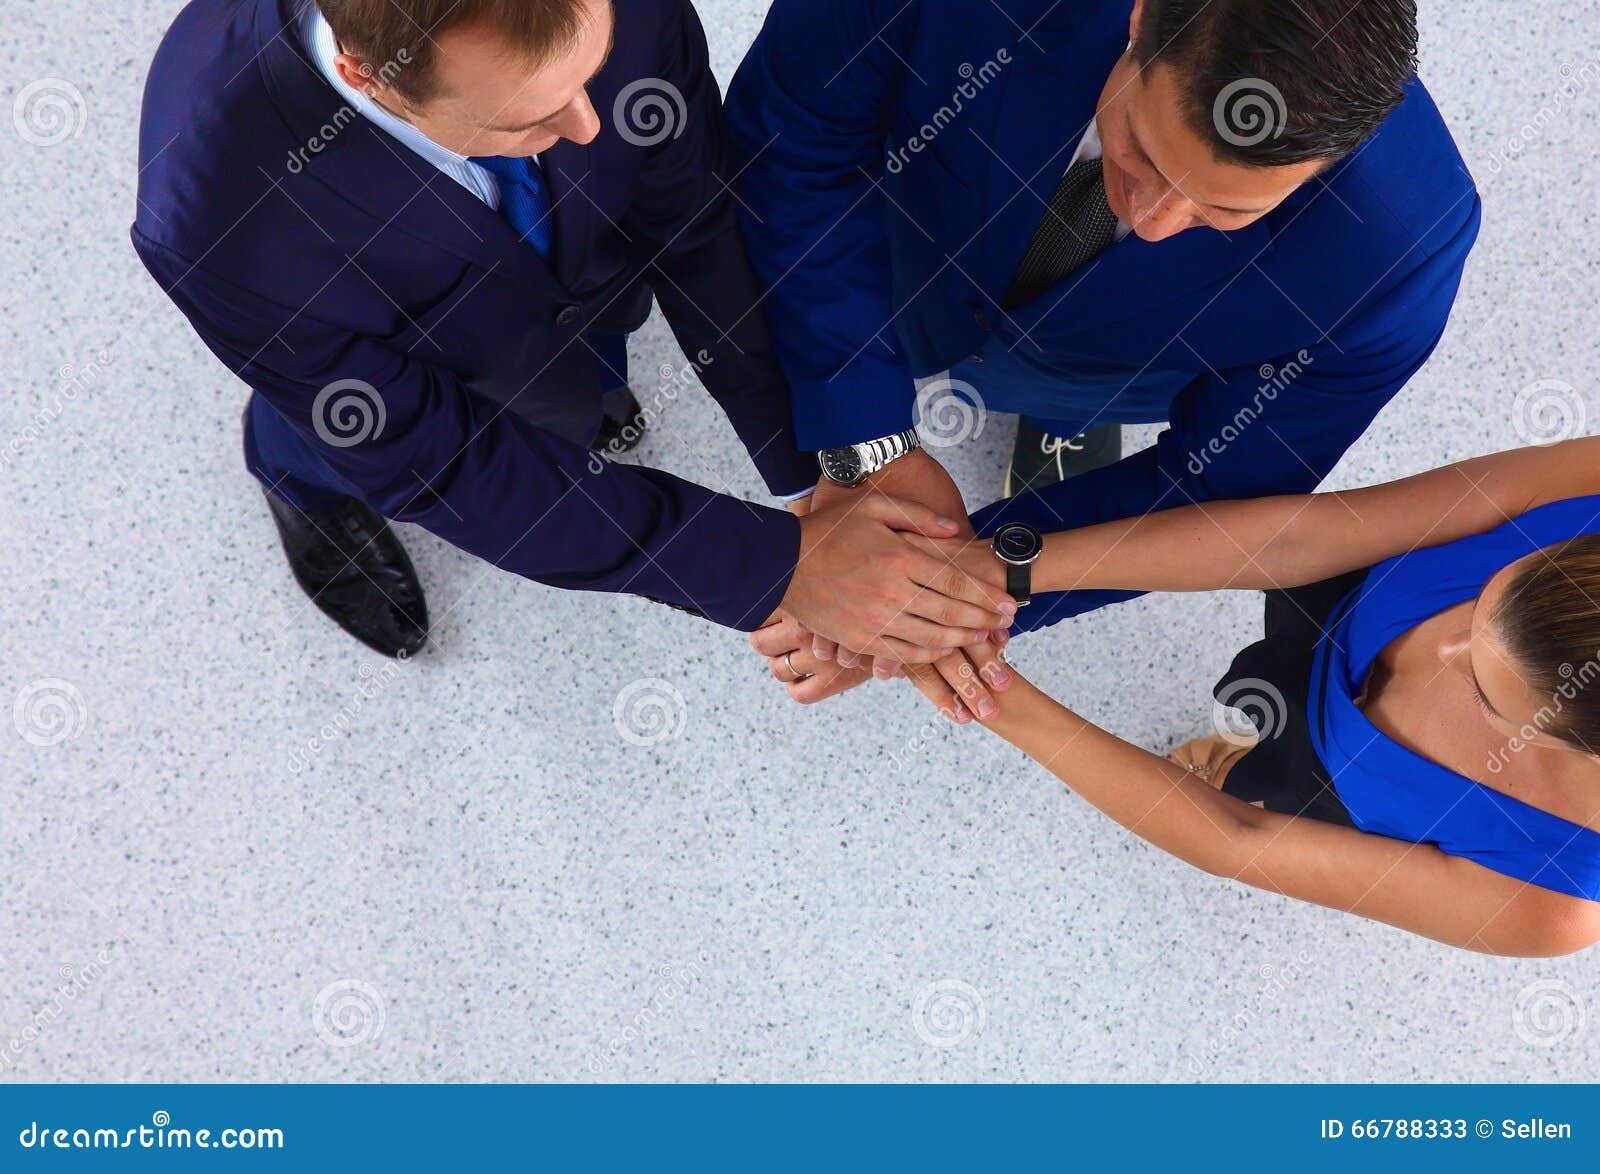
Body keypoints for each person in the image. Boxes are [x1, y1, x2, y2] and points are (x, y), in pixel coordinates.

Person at [131, 0, 1013, 660]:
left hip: (584, 280)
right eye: (526, 119)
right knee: (324, 446)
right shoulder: (218, 221)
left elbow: (694, 221)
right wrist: (778, 567)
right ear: (370, 76)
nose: (588, 128)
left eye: (592, 74)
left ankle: (578, 383)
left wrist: (824, 470)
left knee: (581, 360)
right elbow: (447, 461)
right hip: (384, 386)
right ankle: (297, 489)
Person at [727, 0, 1481, 692]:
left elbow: (1212, 492)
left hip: (1096, 366)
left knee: (1065, 393)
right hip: (902, 248)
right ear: (1141, 16)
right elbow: (796, 145)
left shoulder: (1400, 254)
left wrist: (936, 597)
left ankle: (1054, 416)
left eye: (1223, 206)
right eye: (1139, 151)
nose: (1151, 221)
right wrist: (869, 442)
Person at [756, 439, 1600, 955]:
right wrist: (998, 572)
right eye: (1499, 589)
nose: (1443, 642)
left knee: (1237, 784)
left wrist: (979, 683)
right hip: (1332, 586)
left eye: (1485, 692)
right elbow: (1308, 535)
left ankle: (1234, 756)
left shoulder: (1550, 900)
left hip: (1328, 786)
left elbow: (1241, 838)